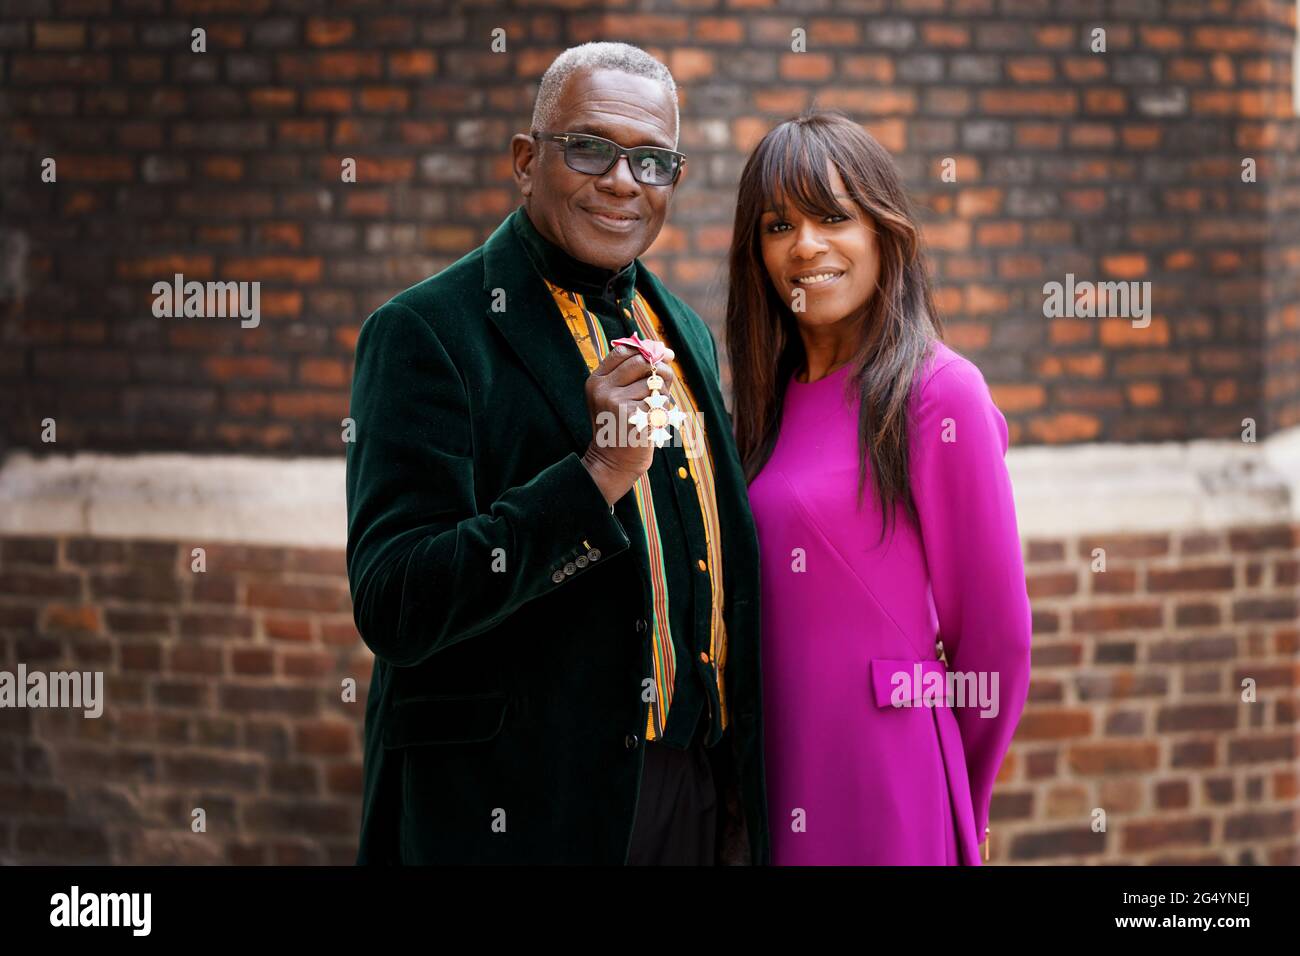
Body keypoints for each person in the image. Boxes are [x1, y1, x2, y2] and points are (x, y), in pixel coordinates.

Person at [345, 42, 769, 865]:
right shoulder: (427, 332)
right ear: (525, 159)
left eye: (652, 161)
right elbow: (395, 601)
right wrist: (594, 478)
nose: (622, 181)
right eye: (590, 148)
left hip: (690, 791)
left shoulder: (681, 326)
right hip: (519, 808)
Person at [727, 111, 1032, 865]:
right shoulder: (763, 400)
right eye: (778, 225)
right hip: (770, 767)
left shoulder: (938, 394)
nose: (805, 246)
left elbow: (997, 638)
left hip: (888, 778)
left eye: (833, 217)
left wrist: (963, 795)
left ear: (882, 232)